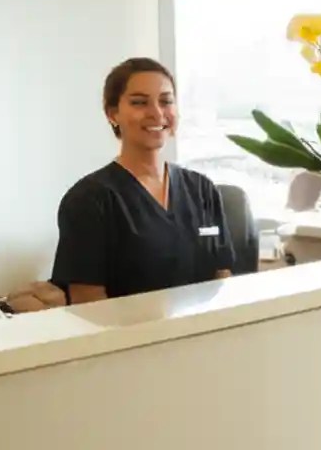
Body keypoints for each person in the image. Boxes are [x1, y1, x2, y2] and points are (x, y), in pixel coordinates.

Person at [51, 58, 234, 304]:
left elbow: (222, 278)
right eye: (139, 102)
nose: (157, 113)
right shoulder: (89, 200)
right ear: (112, 113)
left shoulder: (203, 190)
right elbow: (88, 304)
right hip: (131, 340)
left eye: (166, 101)